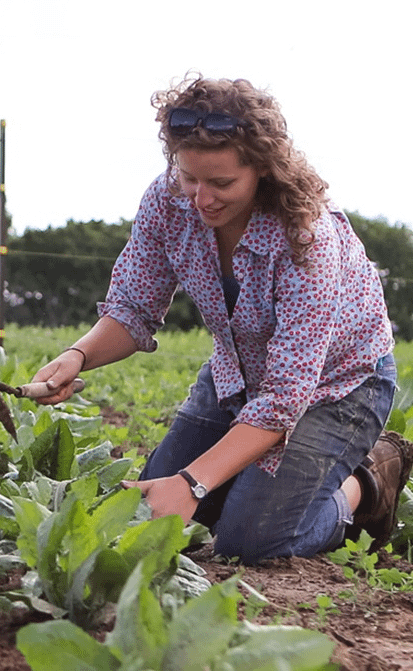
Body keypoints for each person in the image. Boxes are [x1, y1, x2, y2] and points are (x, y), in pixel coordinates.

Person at [32, 74, 413, 563]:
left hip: (337, 387)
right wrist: (76, 356)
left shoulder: (307, 238)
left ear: (264, 169)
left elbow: (282, 399)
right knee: (157, 510)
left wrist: (192, 481)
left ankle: (369, 479)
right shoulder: (168, 202)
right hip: (238, 374)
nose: (201, 198)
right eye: (190, 177)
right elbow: (133, 307)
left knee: (248, 541)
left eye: (222, 183)